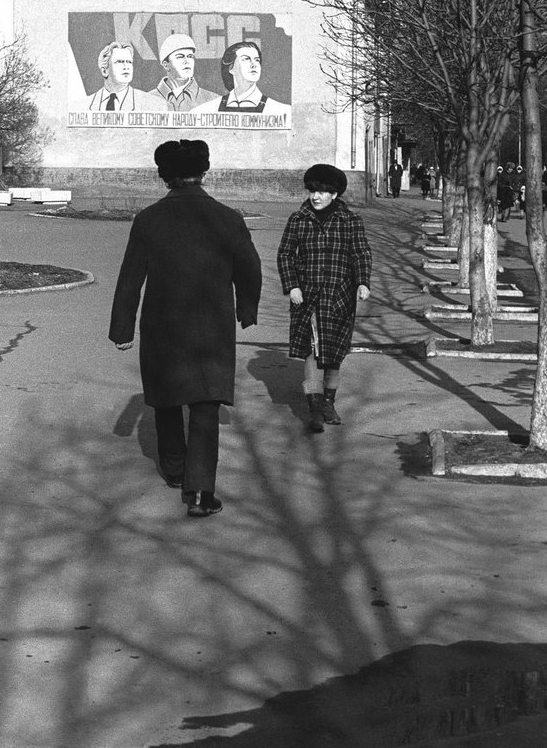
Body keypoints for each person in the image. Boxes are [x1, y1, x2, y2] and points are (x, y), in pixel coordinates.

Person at [109, 139, 262, 517]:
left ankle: (175, 469)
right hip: (212, 326)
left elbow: (130, 279)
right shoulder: (228, 217)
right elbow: (250, 269)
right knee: (206, 404)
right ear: (203, 172)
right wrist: (246, 308)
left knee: (166, 397)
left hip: (163, 325)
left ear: (165, 177)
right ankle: (198, 493)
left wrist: (122, 329)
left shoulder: (148, 220)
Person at [277, 164, 372, 432]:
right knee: (309, 351)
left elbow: (361, 254)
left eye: (321, 191)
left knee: (334, 353)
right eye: (312, 191)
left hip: (339, 296)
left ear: (334, 194)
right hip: (306, 297)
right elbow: (285, 254)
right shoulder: (298, 219)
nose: (315, 196)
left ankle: (329, 402)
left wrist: (363, 281)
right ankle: (315, 408)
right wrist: (292, 286)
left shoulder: (350, 221)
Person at [198, 40, 290, 116]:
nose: (254, 65)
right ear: (231, 68)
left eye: (257, 60)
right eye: (246, 59)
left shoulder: (282, 111)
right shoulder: (207, 110)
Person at [71, 41, 153, 113]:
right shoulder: (79, 107)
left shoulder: (150, 104)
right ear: (104, 71)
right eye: (120, 62)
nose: (126, 66)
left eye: (129, 62)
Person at [146, 34, 220, 112]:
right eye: (180, 57)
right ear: (166, 65)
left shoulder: (213, 99)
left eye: (190, 56)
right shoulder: (147, 99)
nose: (187, 61)